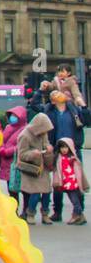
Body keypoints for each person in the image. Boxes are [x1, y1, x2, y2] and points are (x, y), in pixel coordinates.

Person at [44, 91, 87, 222]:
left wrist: (83, 106)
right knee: (58, 182)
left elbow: (86, 120)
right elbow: (34, 106)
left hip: (73, 150)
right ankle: (58, 211)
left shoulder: (73, 109)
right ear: (52, 100)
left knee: (76, 181)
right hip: (58, 149)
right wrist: (41, 90)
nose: (58, 94)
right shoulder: (50, 111)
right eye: (55, 94)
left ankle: (79, 211)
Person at [15, 112, 55, 225]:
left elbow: (46, 144)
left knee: (47, 192)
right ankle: (30, 213)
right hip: (31, 169)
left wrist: (48, 150)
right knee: (35, 193)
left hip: (43, 167)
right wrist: (33, 154)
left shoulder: (43, 134)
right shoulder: (25, 136)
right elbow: (22, 154)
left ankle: (45, 214)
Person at [53, 137, 88, 225]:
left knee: (75, 200)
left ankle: (76, 215)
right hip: (66, 183)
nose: (64, 149)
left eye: (66, 147)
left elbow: (80, 173)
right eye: (62, 147)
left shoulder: (73, 159)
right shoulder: (58, 158)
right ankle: (81, 216)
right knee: (74, 199)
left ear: (70, 147)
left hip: (73, 183)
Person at [0, 106, 27, 206]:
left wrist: (7, 151)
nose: (12, 118)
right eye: (12, 116)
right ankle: (14, 211)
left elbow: (22, 145)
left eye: (15, 116)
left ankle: (25, 210)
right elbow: (0, 140)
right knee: (11, 190)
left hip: (17, 162)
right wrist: (1, 149)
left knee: (23, 189)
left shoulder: (25, 130)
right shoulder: (8, 128)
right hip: (6, 164)